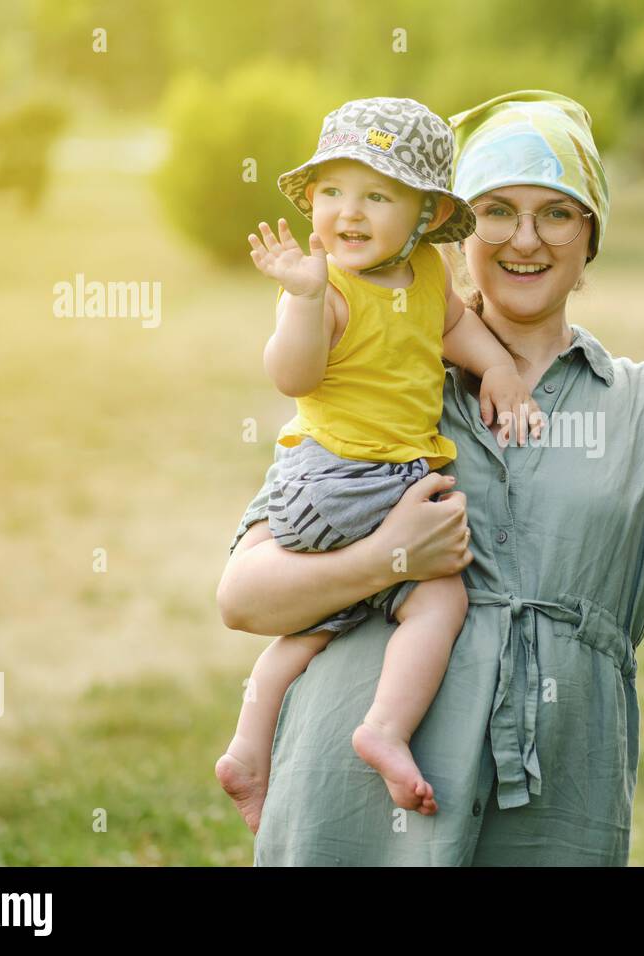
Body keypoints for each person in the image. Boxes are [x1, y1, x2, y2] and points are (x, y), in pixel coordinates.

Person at [216, 90, 644, 865]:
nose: (525, 238)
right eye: (496, 210)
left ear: (590, 240)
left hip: (552, 820)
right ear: (449, 232)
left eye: (557, 212)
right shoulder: (381, 380)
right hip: (346, 816)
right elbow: (243, 598)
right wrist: (389, 559)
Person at [215, 97, 542, 834]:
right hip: (337, 480)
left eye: (375, 194)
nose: (347, 212)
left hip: (370, 484)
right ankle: (385, 729)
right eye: (331, 191)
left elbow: (455, 325)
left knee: (319, 622)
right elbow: (293, 377)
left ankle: (247, 746)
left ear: (426, 216)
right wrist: (300, 302)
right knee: (439, 599)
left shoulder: (425, 272)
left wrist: (498, 370)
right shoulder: (326, 287)